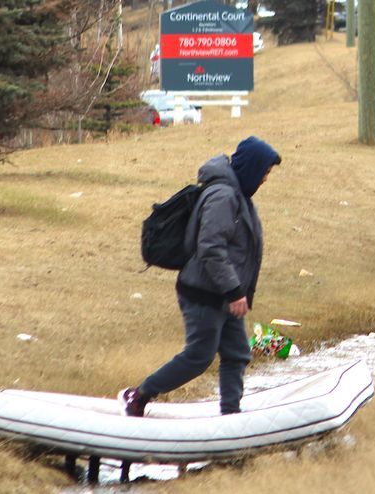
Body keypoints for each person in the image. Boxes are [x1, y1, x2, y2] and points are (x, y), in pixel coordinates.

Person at [119, 136, 282, 417]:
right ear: (253, 168)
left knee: (237, 354)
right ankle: (139, 394)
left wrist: (235, 292)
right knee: (199, 356)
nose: (266, 179)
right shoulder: (223, 196)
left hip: (225, 295)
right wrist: (234, 290)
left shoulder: (239, 196)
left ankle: (231, 415)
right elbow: (211, 248)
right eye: (265, 172)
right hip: (204, 292)